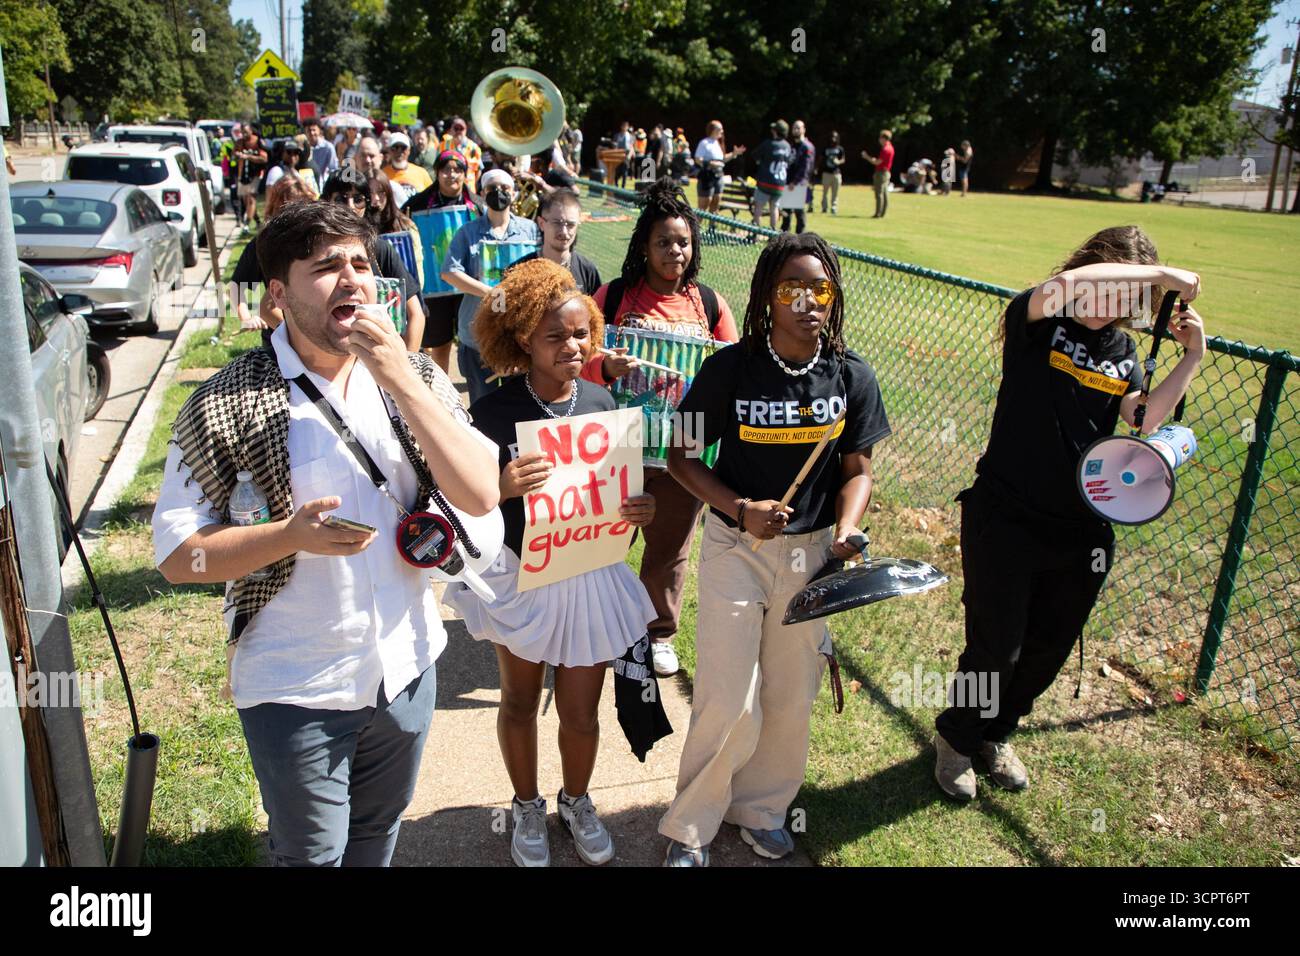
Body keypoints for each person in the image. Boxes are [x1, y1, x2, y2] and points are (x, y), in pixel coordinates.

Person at [151, 200, 500, 867]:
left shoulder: (415, 377)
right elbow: (176, 555)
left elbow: (482, 492)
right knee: (311, 857)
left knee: (377, 839)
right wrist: (289, 536)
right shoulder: (229, 401)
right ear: (278, 294)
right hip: (297, 687)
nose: (351, 279)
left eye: (361, 264)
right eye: (326, 266)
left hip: (407, 670)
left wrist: (401, 374)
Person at [933, 226, 1206, 801]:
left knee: (1047, 647)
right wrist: (1159, 274)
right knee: (996, 646)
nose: (1115, 303)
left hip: (1081, 525)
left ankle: (997, 734)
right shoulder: (1038, 319)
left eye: (1130, 297)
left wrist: (1193, 357)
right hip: (1006, 512)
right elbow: (1068, 285)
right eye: (1113, 284)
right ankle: (958, 739)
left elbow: (1145, 418)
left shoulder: (1126, 352)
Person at [659, 231, 891, 866]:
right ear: (767, 295)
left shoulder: (851, 376)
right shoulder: (730, 368)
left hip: (811, 556)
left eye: (820, 288)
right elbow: (680, 457)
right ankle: (689, 827)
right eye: (793, 288)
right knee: (728, 694)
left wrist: (846, 527)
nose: (808, 301)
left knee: (791, 696)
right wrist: (739, 507)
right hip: (736, 548)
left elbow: (858, 471)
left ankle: (759, 810)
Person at [443, 258, 657, 867]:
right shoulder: (490, 413)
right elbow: (458, 503)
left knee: (581, 709)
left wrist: (632, 509)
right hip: (521, 575)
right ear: (522, 341)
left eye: (582, 332)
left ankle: (578, 799)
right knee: (517, 698)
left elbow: (615, 495)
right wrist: (502, 486)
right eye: (554, 336)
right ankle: (526, 804)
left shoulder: (601, 400)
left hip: (588, 572)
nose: (572, 346)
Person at [581, 178, 740, 679]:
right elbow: (573, 353)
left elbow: (731, 370)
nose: (675, 251)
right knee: (602, 540)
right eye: (663, 242)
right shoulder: (612, 296)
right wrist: (604, 368)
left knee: (670, 547)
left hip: (682, 449)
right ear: (644, 247)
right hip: (616, 444)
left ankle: (659, 633)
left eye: (683, 242)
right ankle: (586, 624)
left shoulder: (710, 306)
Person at [442, 168, 542, 403]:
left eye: (505, 188)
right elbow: (449, 272)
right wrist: (490, 292)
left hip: (520, 333)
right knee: (481, 403)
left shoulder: (531, 229)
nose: (499, 192)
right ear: (482, 192)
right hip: (477, 333)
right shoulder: (468, 232)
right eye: (492, 188)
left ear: (515, 193)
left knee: (522, 401)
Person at [320, 173, 425, 351]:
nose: (350, 206)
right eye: (340, 199)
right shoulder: (311, 251)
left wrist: (406, 367)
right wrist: (254, 312)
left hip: (379, 359)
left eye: (358, 199)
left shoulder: (380, 250)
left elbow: (416, 314)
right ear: (325, 201)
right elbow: (262, 292)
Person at [401, 149, 484, 374]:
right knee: (439, 342)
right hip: (434, 288)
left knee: (475, 339)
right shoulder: (416, 205)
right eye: (446, 169)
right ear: (437, 173)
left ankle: (475, 382)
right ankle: (442, 384)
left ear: (465, 174)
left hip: (469, 285)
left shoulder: (477, 205)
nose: (452, 175)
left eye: (458, 170)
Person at [228, 178, 317, 331]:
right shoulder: (263, 244)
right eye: (289, 209)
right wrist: (247, 318)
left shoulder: (321, 243)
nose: (297, 217)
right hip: (277, 337)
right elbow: (235, 287)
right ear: (275, 209)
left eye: (304, 208)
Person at [511, 187, 601, 294]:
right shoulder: (518, 271)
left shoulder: (588, 271)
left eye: (571, 225)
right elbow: (500, 309)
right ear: (541, 224)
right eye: (557, 223)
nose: (564, 231)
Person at [367, 172, 425, 289]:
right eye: (370, 193)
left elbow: (417, 265)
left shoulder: (405, 225)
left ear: (388, 193)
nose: (375, 199)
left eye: (380, 192)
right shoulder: (361, 227)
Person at [694, 120, 746, 218]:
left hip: (718, 176)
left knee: (716, 202)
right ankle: (697, 229)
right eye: (719, 129)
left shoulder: (718, 143)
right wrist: (709, 163)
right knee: (704, 204)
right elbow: (697, 159)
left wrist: (734, 154)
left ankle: (711, 229)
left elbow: (722, 159)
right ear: (712, 130)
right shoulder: (704, 143)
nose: (722, 131)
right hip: (707, 176)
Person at [750, 120, 792, 232]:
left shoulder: (769, 144)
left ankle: (756, 232)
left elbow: (755, 155)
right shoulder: (787, 146)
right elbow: (790, 161)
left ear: (776, 131)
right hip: (780, 184)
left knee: (758, 206)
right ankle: (773, 232)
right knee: (774, 208)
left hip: (765, 182)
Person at [381, 131, 433, 207]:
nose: (399, 151)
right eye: (395, 148)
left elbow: (431, 197)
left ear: (409, 151)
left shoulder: (421, 173)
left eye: (403, 148)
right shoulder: (383, 175)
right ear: (389, 150)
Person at [780, 120, 814, 234]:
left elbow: (806, 168)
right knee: (786, 213)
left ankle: (800, 240)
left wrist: (794, 182)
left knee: (799, 213)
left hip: (799, 184)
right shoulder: (792, 145)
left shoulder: (806, 147)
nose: (795, 130)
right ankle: (785, 237)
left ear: (804, 129)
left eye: (798, 128)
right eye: (794, 128)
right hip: (788, 183)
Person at [236, 124, 269, 235]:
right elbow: (234, 154)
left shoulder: (257, 142)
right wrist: (237, 154)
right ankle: (258, 221)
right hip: (243, 175)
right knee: (246, 201)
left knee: (251, 199)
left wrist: (249, 157)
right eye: (242, 132)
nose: (244, 134)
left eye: (246, 131)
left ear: (251, 131)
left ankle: (246, 224)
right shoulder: (240, 143)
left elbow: (264, 158)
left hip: (256, 174)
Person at [440, 117, 483, 193]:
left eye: (461, 129)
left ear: (466, 130)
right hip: (449, 188)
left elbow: (479, 169)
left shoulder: (474, 147)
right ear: (451, 130)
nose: (458, 131)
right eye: (456, 128)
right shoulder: (442, 146)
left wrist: (474, 183)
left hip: (469, 190)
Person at [861, 129, 895, 218]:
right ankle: (882, 213)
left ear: (884, 138)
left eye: (880, 138)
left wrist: (866, 157)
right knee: (884, 193)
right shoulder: (890, 147)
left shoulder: (886, 149)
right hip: (886, 172)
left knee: (879, 193)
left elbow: (877, 162)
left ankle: (878, 213)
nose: (879, 140)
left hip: (881, 173)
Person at [304, 118, 339, 184]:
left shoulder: (328, 147)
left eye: (314, 130)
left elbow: (333, 168)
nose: (312, 133)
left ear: (319, 130)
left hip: (324, 184)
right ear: (305, 132)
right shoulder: (303, 148)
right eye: (309, 130)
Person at [820, 131, 844, 214]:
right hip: (826, 173)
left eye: (835, 137)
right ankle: (824, 207)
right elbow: (821, 159)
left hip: (836, 173)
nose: (833, 139)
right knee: (825, 192)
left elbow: (843, 159)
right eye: (832, 137)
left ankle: (834, 207)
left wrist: (838, 161)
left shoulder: (840, 149)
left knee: (835, 193)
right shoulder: (825, 148)